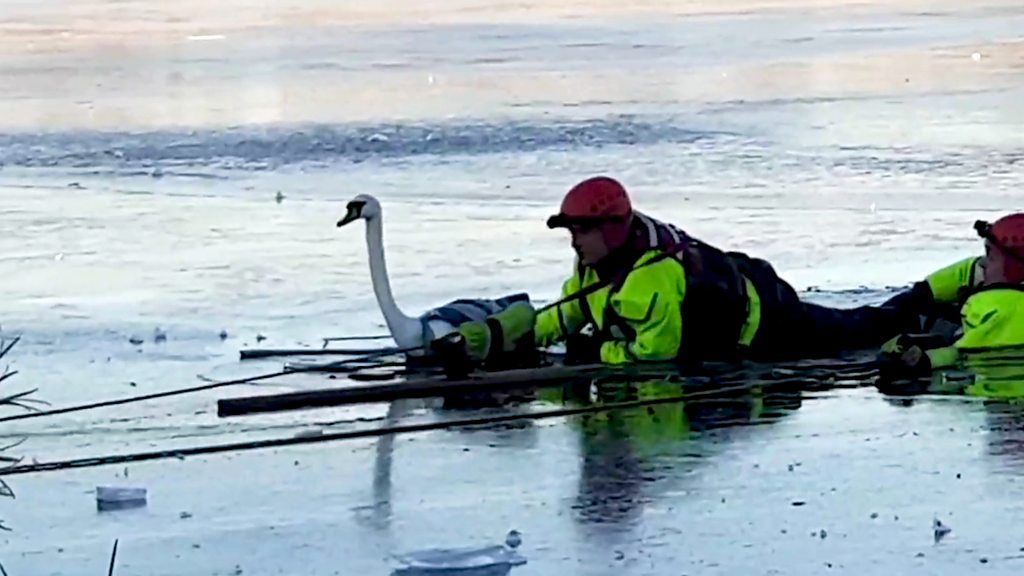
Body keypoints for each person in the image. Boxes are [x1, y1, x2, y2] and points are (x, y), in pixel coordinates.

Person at [441, 176, 912, 367]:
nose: (573, 238)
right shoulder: (595, 264)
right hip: (739, 281)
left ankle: (919, 311)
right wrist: (497, 338)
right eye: (571, 229)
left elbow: (656, 352)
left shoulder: (650, 278)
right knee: (852, 324)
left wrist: (597, 353)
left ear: (612, 227)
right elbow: (563, 316)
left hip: (769, 320)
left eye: (581, 229)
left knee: (856, 331)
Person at [878, 213, 1024, 383]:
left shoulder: (1006, 313)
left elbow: (964, 354)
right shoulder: (995, 290)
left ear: (1014, 269)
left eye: (989, 254)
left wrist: (920, 361)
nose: (982, 263)